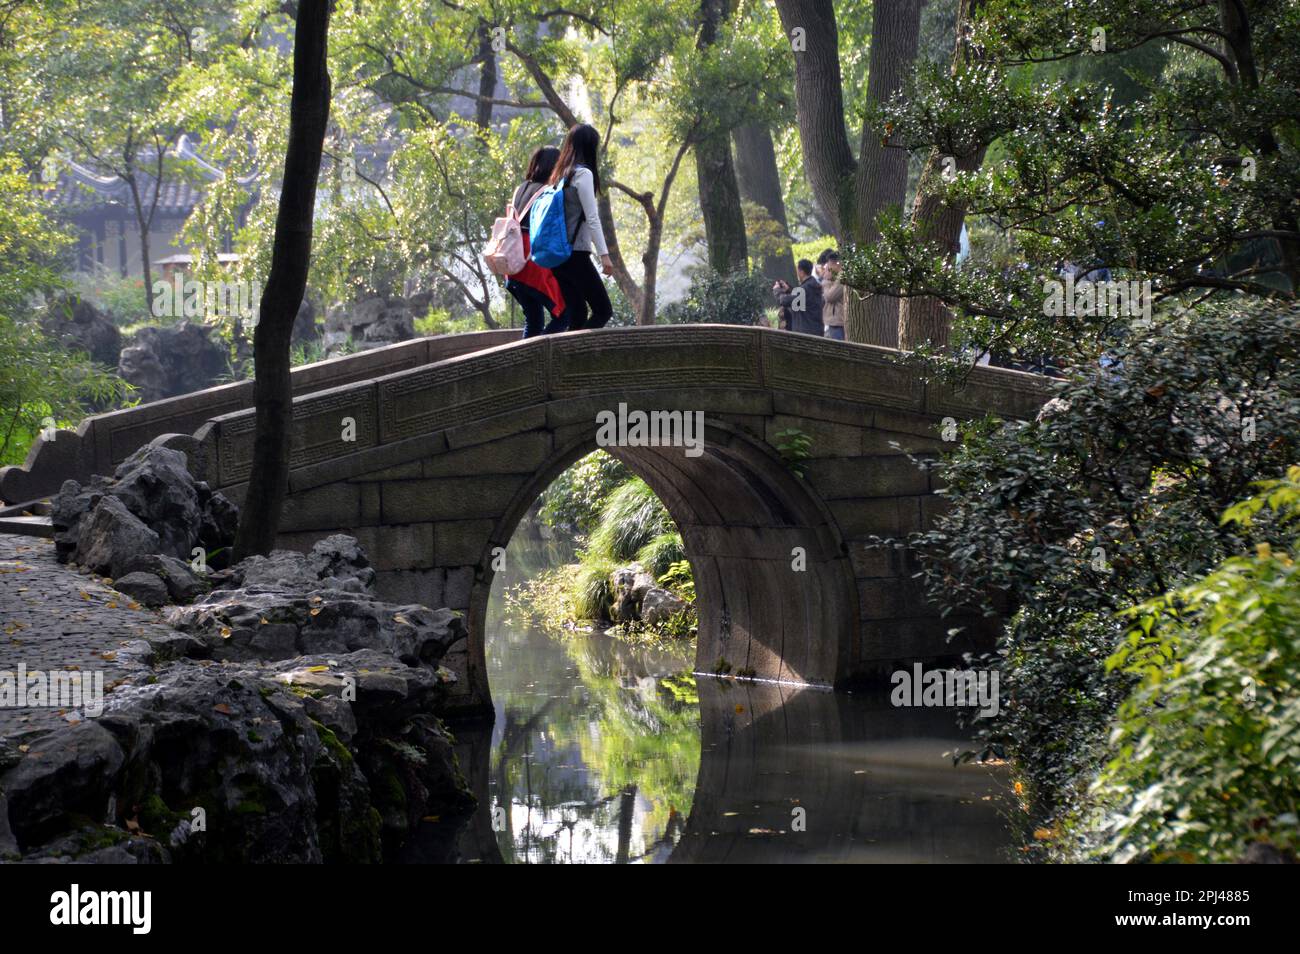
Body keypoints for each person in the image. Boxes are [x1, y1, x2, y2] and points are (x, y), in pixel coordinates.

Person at [547, 124, 614, 330]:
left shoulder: (559, 176)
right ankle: (575, 357)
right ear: (589, 147)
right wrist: (604, 255)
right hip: (575, 254)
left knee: (577, 315)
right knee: (603, 310)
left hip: (557, 256)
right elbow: (592, 217)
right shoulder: (583, 174)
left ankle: (568, 359)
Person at [506, 146, 567, 337]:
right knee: (565, 313)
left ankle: (527, 363)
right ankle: (540, 352)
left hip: (512, 266)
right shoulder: (547, 192)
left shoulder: (520, 189)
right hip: (532, 265)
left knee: (533, 320)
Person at [773, 259, 824, 336]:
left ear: (801, 272)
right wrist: (788, 290)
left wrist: (777, 291)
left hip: (806, 332)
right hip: (814, 330)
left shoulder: (805, 288)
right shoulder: (812, 285)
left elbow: (784, 301)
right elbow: (800, 300)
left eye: (798, 270)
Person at [820, 250, 845, 340]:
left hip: (838, 322)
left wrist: (826, 281)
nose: (828, 269)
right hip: (835, 321)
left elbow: (830, 297)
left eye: (830, 265)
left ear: (837, 264)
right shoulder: (837, 277)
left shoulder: (842, 277)